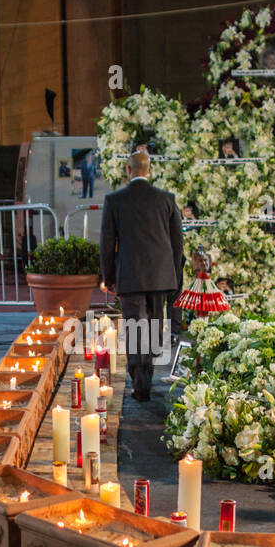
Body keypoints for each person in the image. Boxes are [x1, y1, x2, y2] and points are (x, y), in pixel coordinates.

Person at [99, 151, 184, 402]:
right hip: (161, 276)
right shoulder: (167, 199)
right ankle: (146, 372)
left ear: (128, 169)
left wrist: (109, 276)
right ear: (150, 170)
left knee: (135, 329)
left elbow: (107, 242)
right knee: (155, 326)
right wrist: (175, 276)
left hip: (131, 275)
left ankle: (140, 381)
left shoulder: (115, 200)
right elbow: (177, 242)